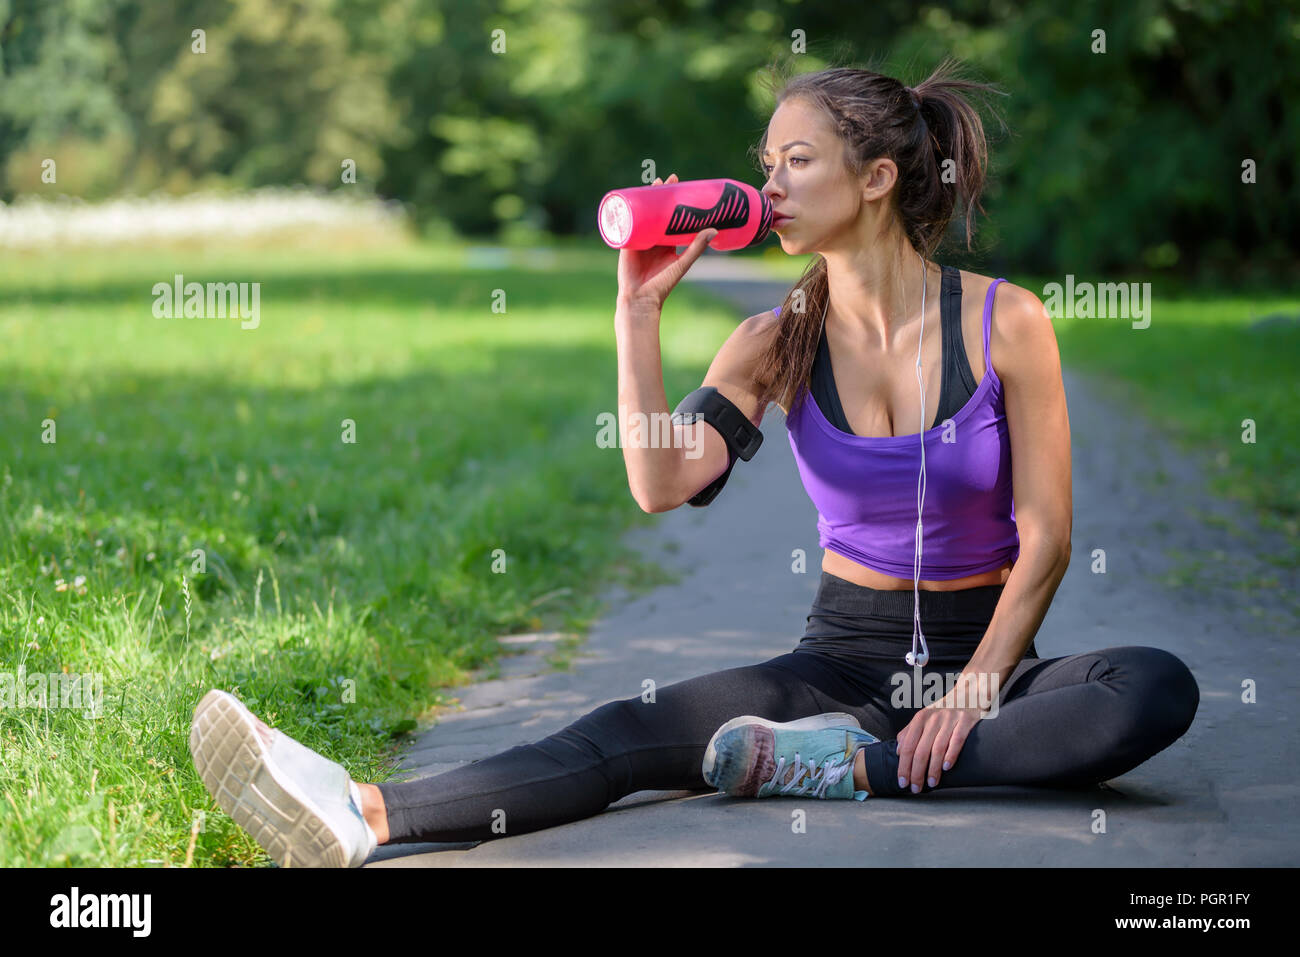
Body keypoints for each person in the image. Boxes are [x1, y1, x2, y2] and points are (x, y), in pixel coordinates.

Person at [189, 58, 1200, 867]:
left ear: (877, 177)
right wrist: (638, 312)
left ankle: (852, 770)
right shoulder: (777, 338)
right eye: (767, 163)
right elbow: (660, 482)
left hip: (989, 661)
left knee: (1148, 687)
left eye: (795, 162)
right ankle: (361, 811)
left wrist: (975, 690)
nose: (768, 187)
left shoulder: (1005, 322)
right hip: (836, 664)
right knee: (621, 734)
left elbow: (1049, 537)